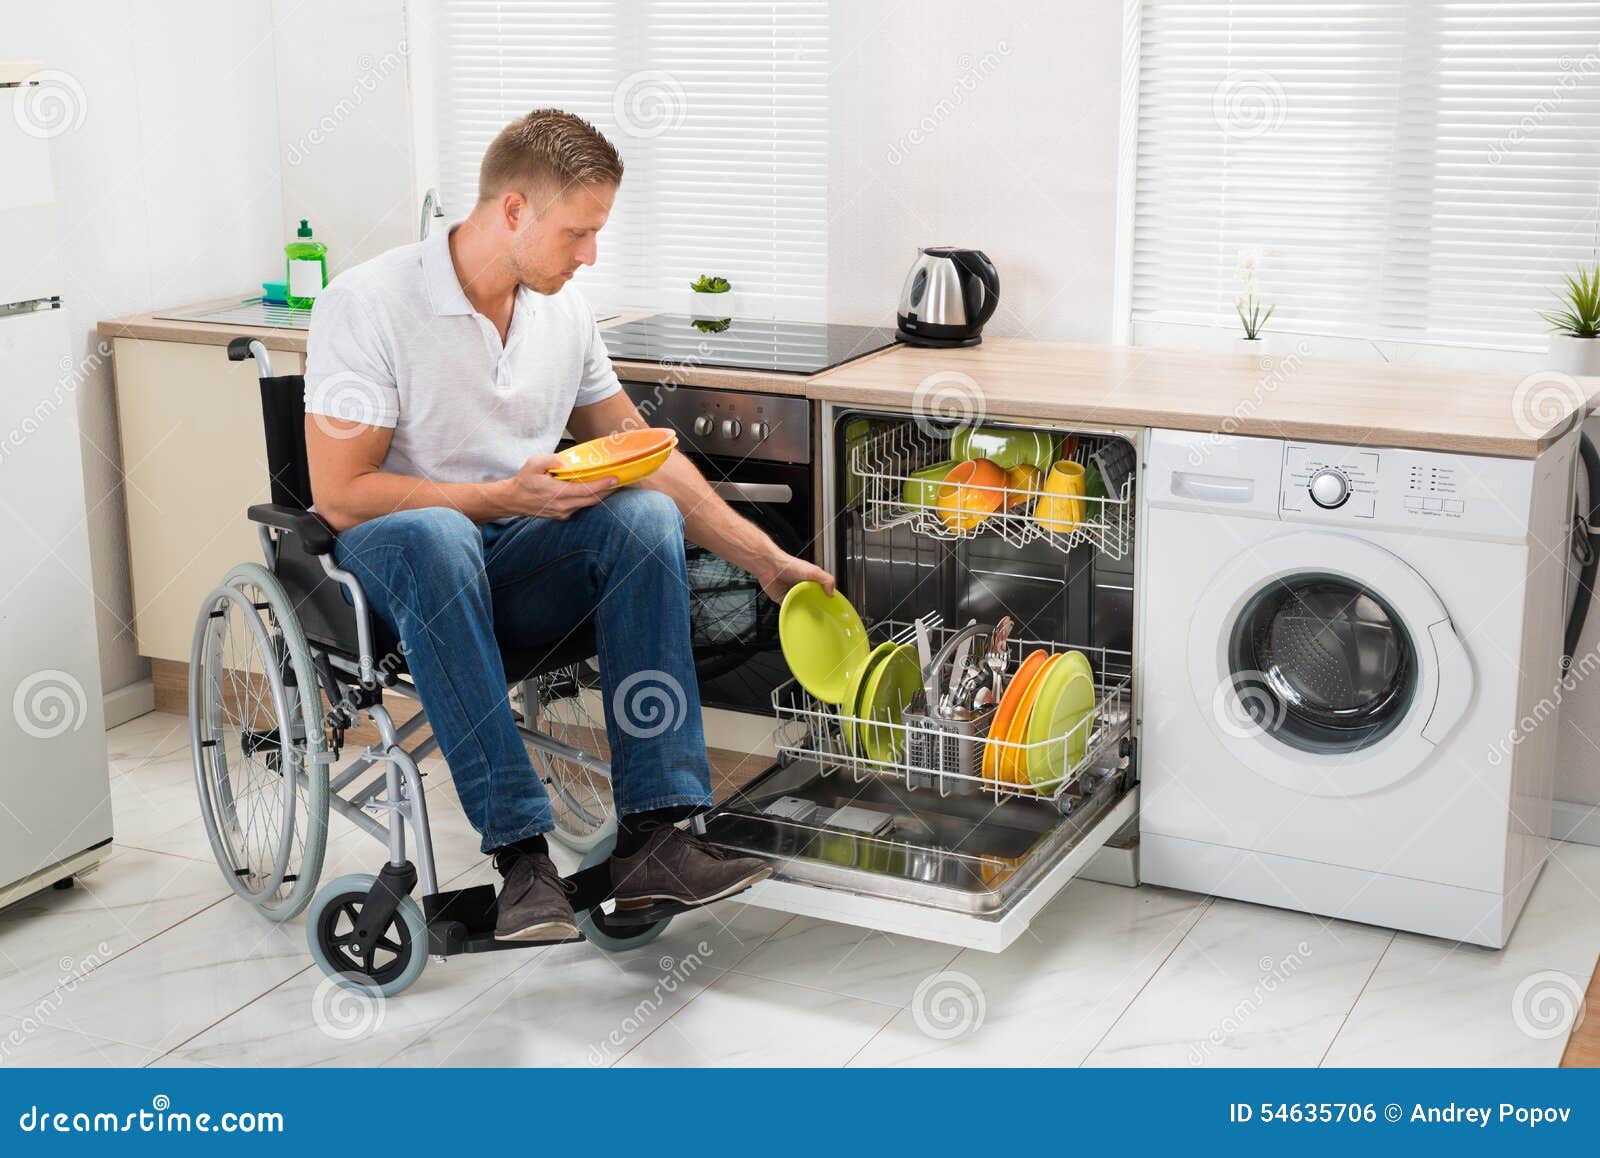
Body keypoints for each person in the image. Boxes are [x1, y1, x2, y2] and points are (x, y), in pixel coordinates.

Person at [303, 108, 834, 943]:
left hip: (513, 557)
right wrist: (497, 500)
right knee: (442, 539)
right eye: (578, 233)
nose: (590, 256)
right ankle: (521, 858)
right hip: (398, 560)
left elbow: (641, 454)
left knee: (642, 514)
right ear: (512, 210)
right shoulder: (368, 302)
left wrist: (765, 560)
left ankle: (656, 836)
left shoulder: (563, 313)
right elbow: (341, 494)